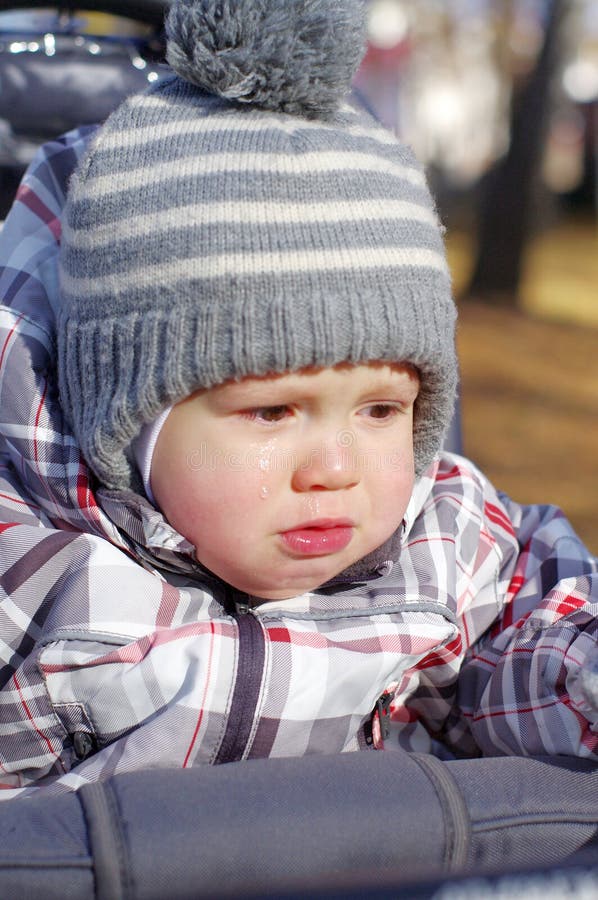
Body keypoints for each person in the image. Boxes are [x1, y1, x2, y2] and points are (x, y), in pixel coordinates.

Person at [0, 0, 596, 800]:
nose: (337, 468)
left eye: (381, 410)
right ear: (129, 423)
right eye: (272, 412)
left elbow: (549, 641)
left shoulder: (448, 546)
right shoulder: (35, 580)